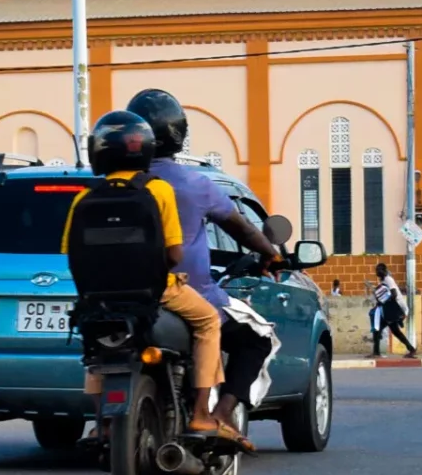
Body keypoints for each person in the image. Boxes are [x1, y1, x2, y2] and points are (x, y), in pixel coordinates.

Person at [63, 108, 233, 443]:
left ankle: (103, 422)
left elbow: (72, 255)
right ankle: (200, 413)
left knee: (96, 347)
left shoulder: (84, 197)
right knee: (209, 322)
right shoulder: (158, 190)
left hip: (99, 296)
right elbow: (174, 254)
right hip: (156, 292)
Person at [126, 89, 284, 440]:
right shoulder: (195, 184)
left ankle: (105, 423)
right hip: (184, 293)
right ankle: (216, 414)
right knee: (254, 339)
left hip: (121, 294)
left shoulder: (114, 184)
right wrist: (270, 254)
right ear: (178, 134)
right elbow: (241, 228)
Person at [369, 261, 417, 356]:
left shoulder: (388, 279)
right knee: (393, 330)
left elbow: (393, 294)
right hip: (391, 308)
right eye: (377, 270)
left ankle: (376, 352)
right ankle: (411, 349)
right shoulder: (383, 281)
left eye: (379, 270)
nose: (377, 272)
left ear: (384, 270)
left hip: (395, 307)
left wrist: (383, 301)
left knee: (378, 328)